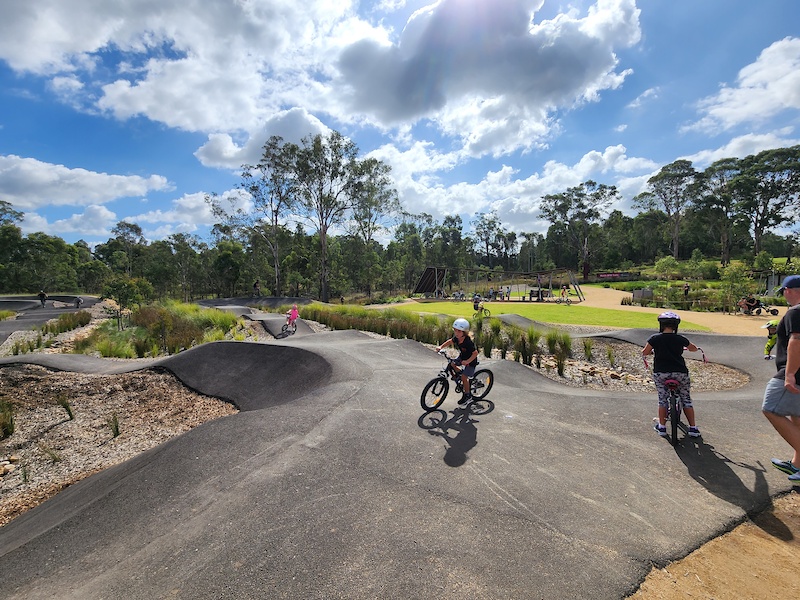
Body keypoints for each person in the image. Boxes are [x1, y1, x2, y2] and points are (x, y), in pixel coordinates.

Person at [763, 275, 800, 483]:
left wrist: (790, 374)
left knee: (770, 408)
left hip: (794, 371)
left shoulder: (796, 311)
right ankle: (797, 464)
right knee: (797, 416)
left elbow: (796, 340)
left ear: (788, 290)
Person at [642, 311, 702, 438]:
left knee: (662, 400)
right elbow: (693, 348)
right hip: (680, 373)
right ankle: (693, 428)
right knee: (686, 399)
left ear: (661, 325)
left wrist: (652, 351)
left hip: (661, 373)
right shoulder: (680, 339)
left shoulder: (654, 338)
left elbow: (645, 352)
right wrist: (695, 349)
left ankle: (662, 427)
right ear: (676, 326)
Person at [435, 318, 479, 406]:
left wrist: (467, 361)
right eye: (455, 330)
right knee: (452, 364)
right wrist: (441, 347)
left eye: (459, 331)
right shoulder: (457, 338)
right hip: (462, 357)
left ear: (464, 332)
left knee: (464, 377)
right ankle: (459, 375)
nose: (456, 333)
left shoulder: (468, 342)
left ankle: (467, 395)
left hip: (471, 361)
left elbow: (475, 353)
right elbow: (450, 341)